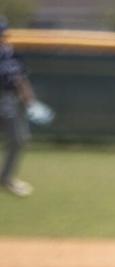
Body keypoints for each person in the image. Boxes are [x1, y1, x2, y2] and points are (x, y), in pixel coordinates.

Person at [1, 16, 40, 198]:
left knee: (18, 138)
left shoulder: (8, 51)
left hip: (7, 99)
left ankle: (6, 178)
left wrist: (28, 97)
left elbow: (18, 76)